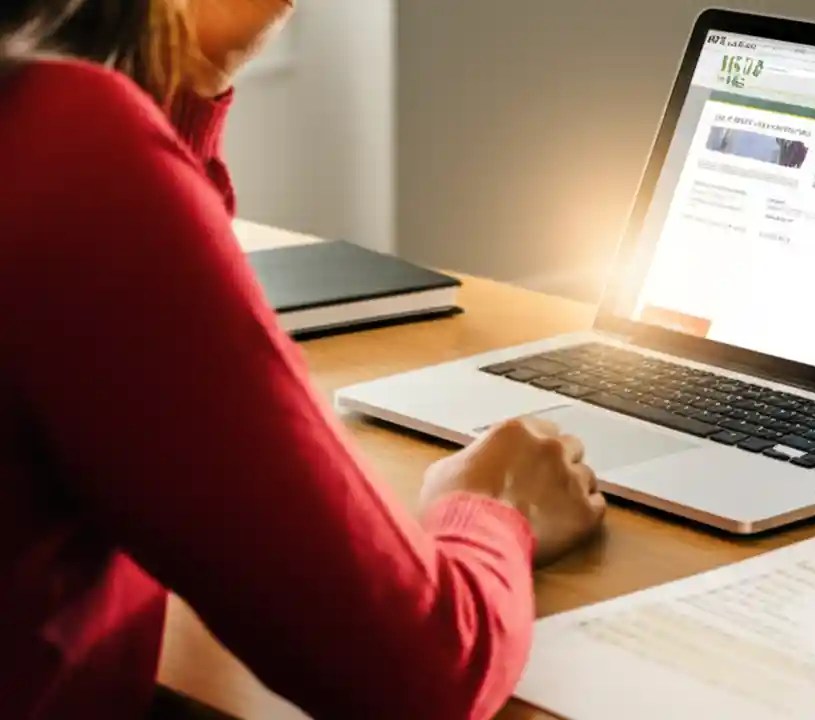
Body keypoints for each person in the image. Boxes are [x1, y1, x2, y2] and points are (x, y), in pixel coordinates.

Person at [0, 1, 606, 718]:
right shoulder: (65, 145)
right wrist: (495, 508)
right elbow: (422, 675)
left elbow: (135, 351)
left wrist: (193, 64)